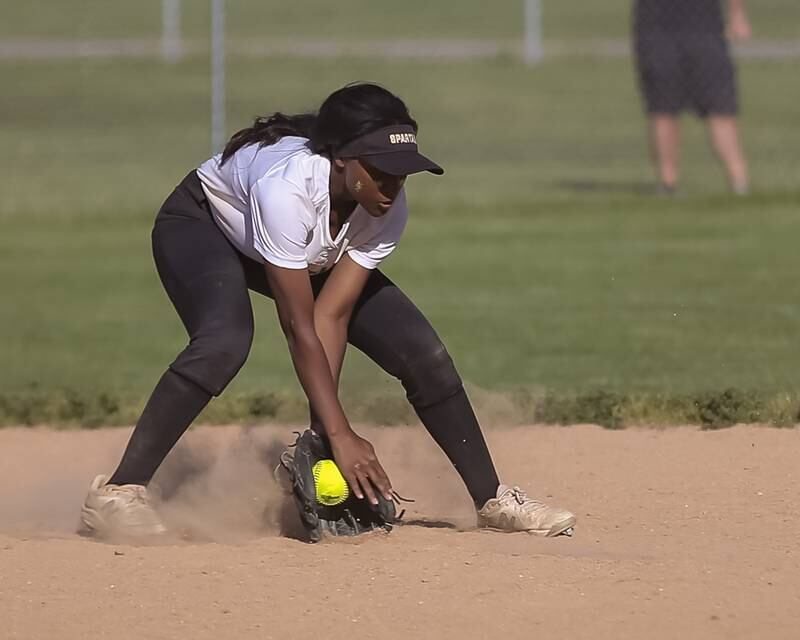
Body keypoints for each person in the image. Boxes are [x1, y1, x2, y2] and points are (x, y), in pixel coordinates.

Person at [78, 82, 576, 539]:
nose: (393, 184)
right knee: (224, 341)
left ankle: (491, 501)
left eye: (402, 173)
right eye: (379, 169)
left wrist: (323, 434)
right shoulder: (288, 190)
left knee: (425, 354)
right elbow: (298, 327)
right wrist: (340, 432)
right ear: (340, 159)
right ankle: (117, 492)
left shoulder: (385, 205)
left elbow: (330, 315)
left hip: (300, 250)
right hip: (203, 227)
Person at [633, 0, 751, 194]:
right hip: (656, 28)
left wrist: (737, 14)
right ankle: (668, 183)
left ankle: (739, 182)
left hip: (705, 27)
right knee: (663, 108)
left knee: (720, 107)